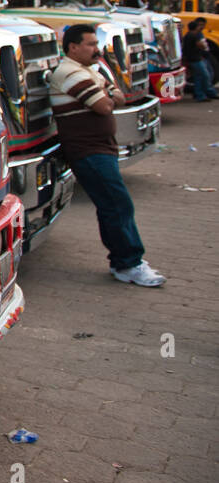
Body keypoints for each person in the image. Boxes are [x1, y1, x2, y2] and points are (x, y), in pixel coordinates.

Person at [48, 24, 165, 287]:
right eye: (90, 44)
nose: (96, 49)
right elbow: (104, 106)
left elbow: (119, 97)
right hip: (88, 150)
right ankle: (129, 263)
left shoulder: (88, 70)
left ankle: (124, 261)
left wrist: (108, 93)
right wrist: (107, 94)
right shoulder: (69, 72)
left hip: (102, 147)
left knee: (113, 204)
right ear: (73, 47)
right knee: (117, 203)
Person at [181, 18, 219, 101]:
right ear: (196, 27)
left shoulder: (188, 35)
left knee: (199, 77)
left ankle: (199, 95)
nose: (201, 27)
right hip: (196, 59)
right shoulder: (194, 36)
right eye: (200, 25)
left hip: (193, 59)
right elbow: (201, 46)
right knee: (205, 76)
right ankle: (206, 93)